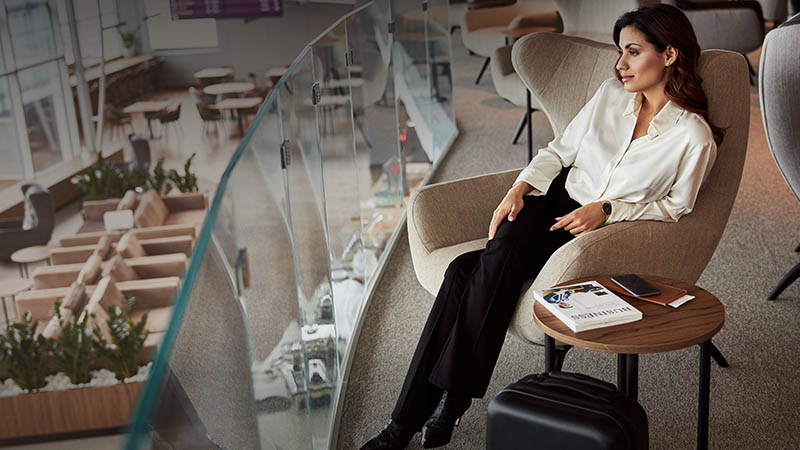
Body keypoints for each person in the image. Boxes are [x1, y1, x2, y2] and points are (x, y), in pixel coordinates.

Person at [359, 4, 723, 449]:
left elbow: (675, 208)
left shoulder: (693, 136)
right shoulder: (610, 95)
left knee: (461, 273)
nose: (620, 64)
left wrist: (608, 210)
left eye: (632, 52)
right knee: (494, 252)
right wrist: (521, 186)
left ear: (669, 55)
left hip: (595, 232)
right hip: (553, 202)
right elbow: (559, 149)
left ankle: (409, 422)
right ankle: (434, 411)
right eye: (619, 52)